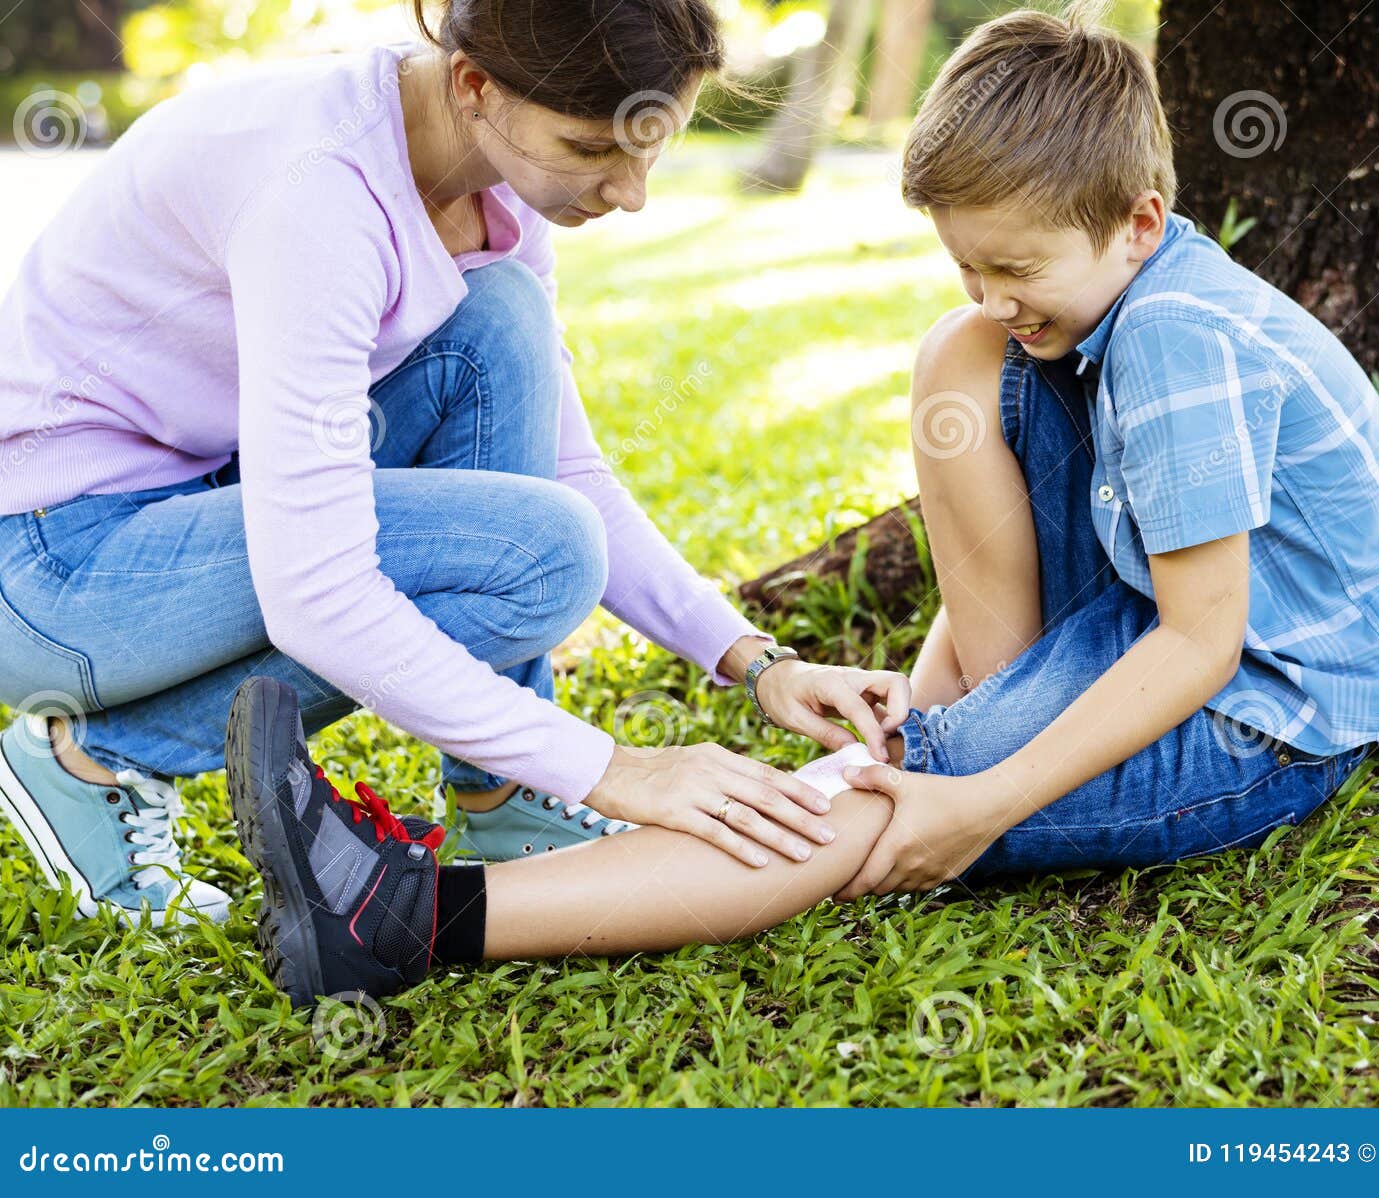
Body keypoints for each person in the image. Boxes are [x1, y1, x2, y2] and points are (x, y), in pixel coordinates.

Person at [223, 6, 1379, 1008]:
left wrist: (973, 800)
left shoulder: (1173, 339)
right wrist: (916, 704)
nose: (992, 291)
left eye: (1015, 268)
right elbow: (1082, 542)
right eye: (967, 261)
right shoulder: (1124, 293)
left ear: (1140, 220)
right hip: (1160, 625)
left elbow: (1198, 639)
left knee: (874, 800)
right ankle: (961, 728)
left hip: (1266, 712)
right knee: (962, 363)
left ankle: (407, 919)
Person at [0, 0, 909, 926]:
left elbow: (568, 467)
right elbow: (318, 595)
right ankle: (95, 758)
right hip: (51, 565)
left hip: (189, 503)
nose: (629, 191)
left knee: (500, 322)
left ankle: (499, 797)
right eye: (594, 149)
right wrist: (617, 772)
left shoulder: (497, 172)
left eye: (650, 146)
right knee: (543, 556)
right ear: (475, 84)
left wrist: (758, 664)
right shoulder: (318, 195)